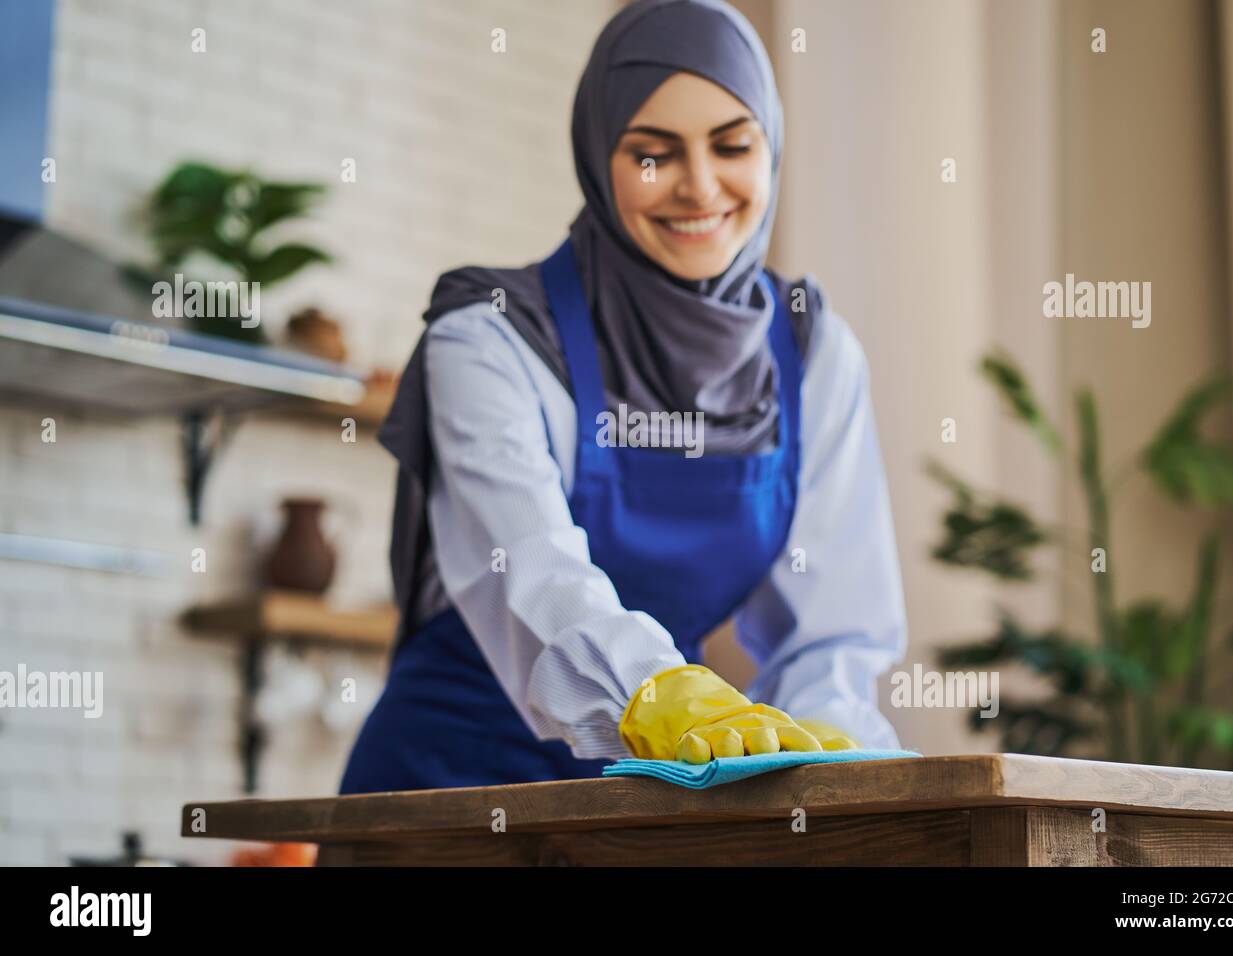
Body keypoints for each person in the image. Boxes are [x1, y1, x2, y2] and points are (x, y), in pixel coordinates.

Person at [339, 0, 907, 794]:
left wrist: (834, 768)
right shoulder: (493, 338)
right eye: (652, 154)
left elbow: (831, 637)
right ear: (598, 155)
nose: (699, 186)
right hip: (452, 790)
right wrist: (660, 702)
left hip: (671, 796)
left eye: (733, 145)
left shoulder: (812, 353)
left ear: (771, 147)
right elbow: (531, 570)